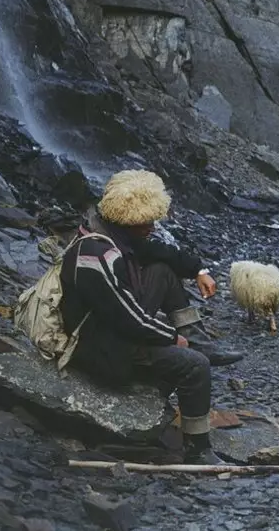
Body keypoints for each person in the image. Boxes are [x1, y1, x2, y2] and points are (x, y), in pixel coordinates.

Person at [59, 169, 244, 464]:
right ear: (129, 221)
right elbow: (126, 318)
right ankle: (198, 448)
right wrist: (172, 337)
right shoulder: (94, 255)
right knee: (196, 367)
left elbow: (159, 251)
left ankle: (200, 341)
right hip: (100, 346)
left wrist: (198, 271)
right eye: (146, 222)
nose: (152, 227)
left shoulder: (114, 233)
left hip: (112, 327)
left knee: (162, 271)